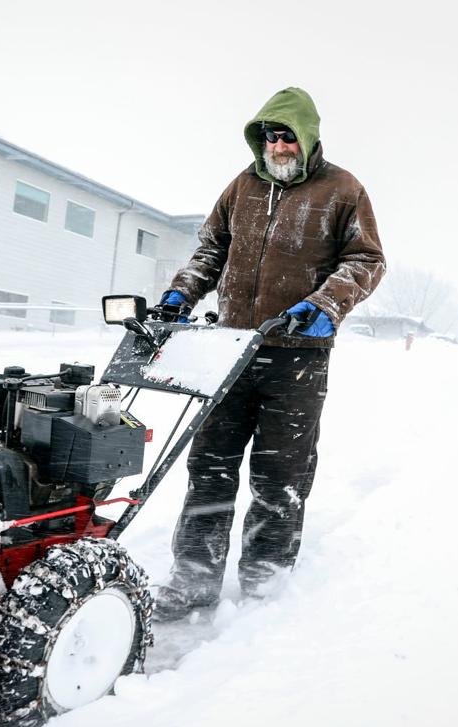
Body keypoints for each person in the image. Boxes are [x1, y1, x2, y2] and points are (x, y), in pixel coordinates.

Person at [154, 86, 386, 621]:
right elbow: (212, 249)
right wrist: (181, 293)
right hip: (229, 350)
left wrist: (327, 302)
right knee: (209, 467)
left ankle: (265, 582)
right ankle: (193, 579)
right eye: (269, 137)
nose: (277, 146)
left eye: (287, 136)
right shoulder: (243, 186)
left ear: (306, 138)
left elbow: (367, 258)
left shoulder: (342, 189)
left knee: (281, 474)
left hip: (297, 355)